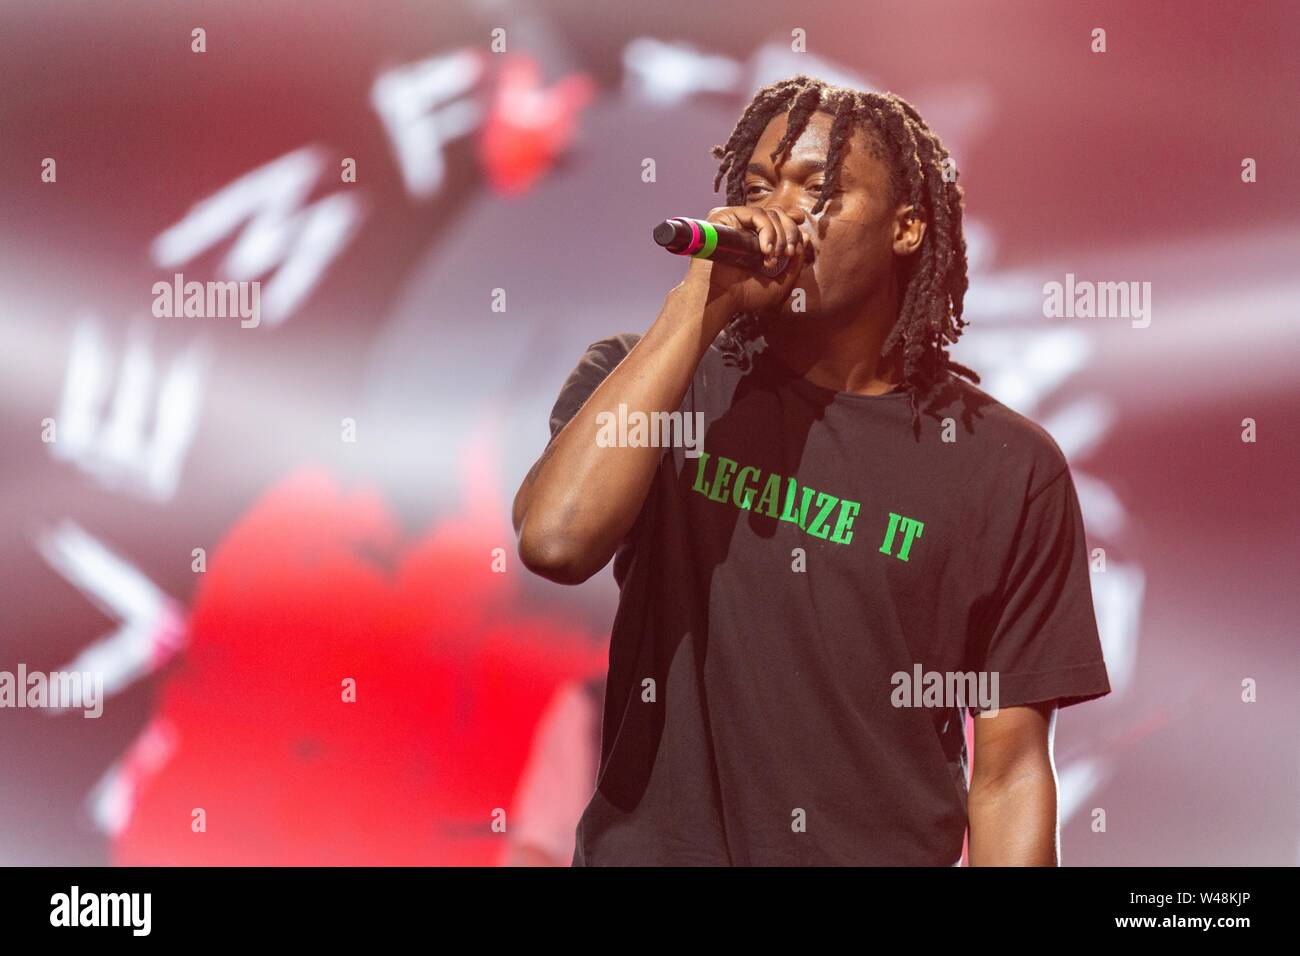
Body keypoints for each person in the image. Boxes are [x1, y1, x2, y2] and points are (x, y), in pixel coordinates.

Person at [511, 74, 1111, 866]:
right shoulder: (653, 381)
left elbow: (1007, 773)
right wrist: (700, 304)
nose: (780, 212)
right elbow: (556, 542)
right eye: (759, 186)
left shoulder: (1006, 467)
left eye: (818, 190)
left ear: (906, 229)